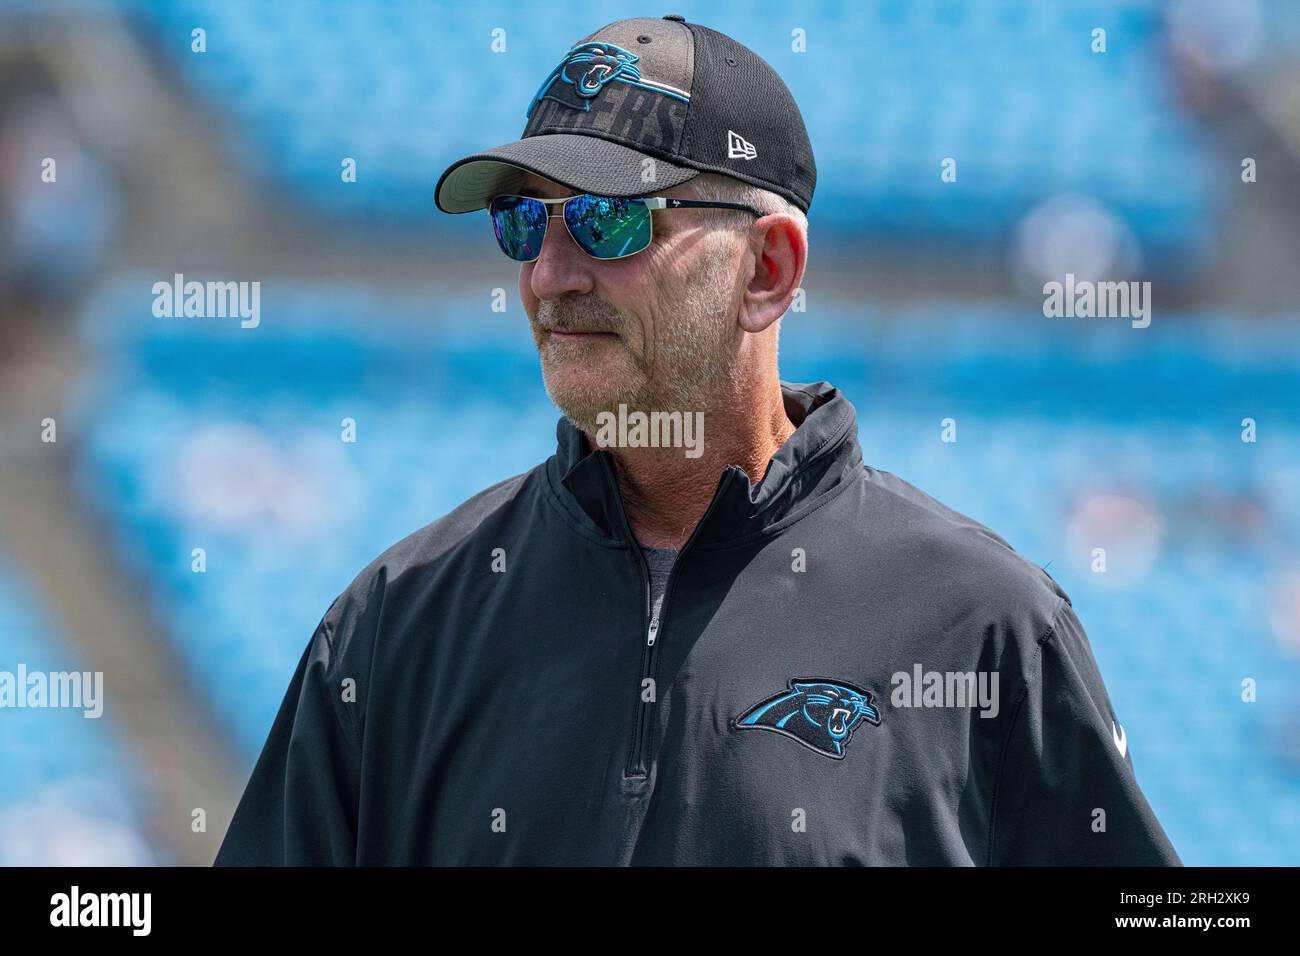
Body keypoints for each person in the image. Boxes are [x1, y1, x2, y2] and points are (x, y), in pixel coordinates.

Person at [215, 15, 1180, 866]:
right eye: (524, 223)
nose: (550, 274)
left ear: (768, 269)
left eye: (608, 219)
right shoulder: (394, 625)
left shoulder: (983, 624)